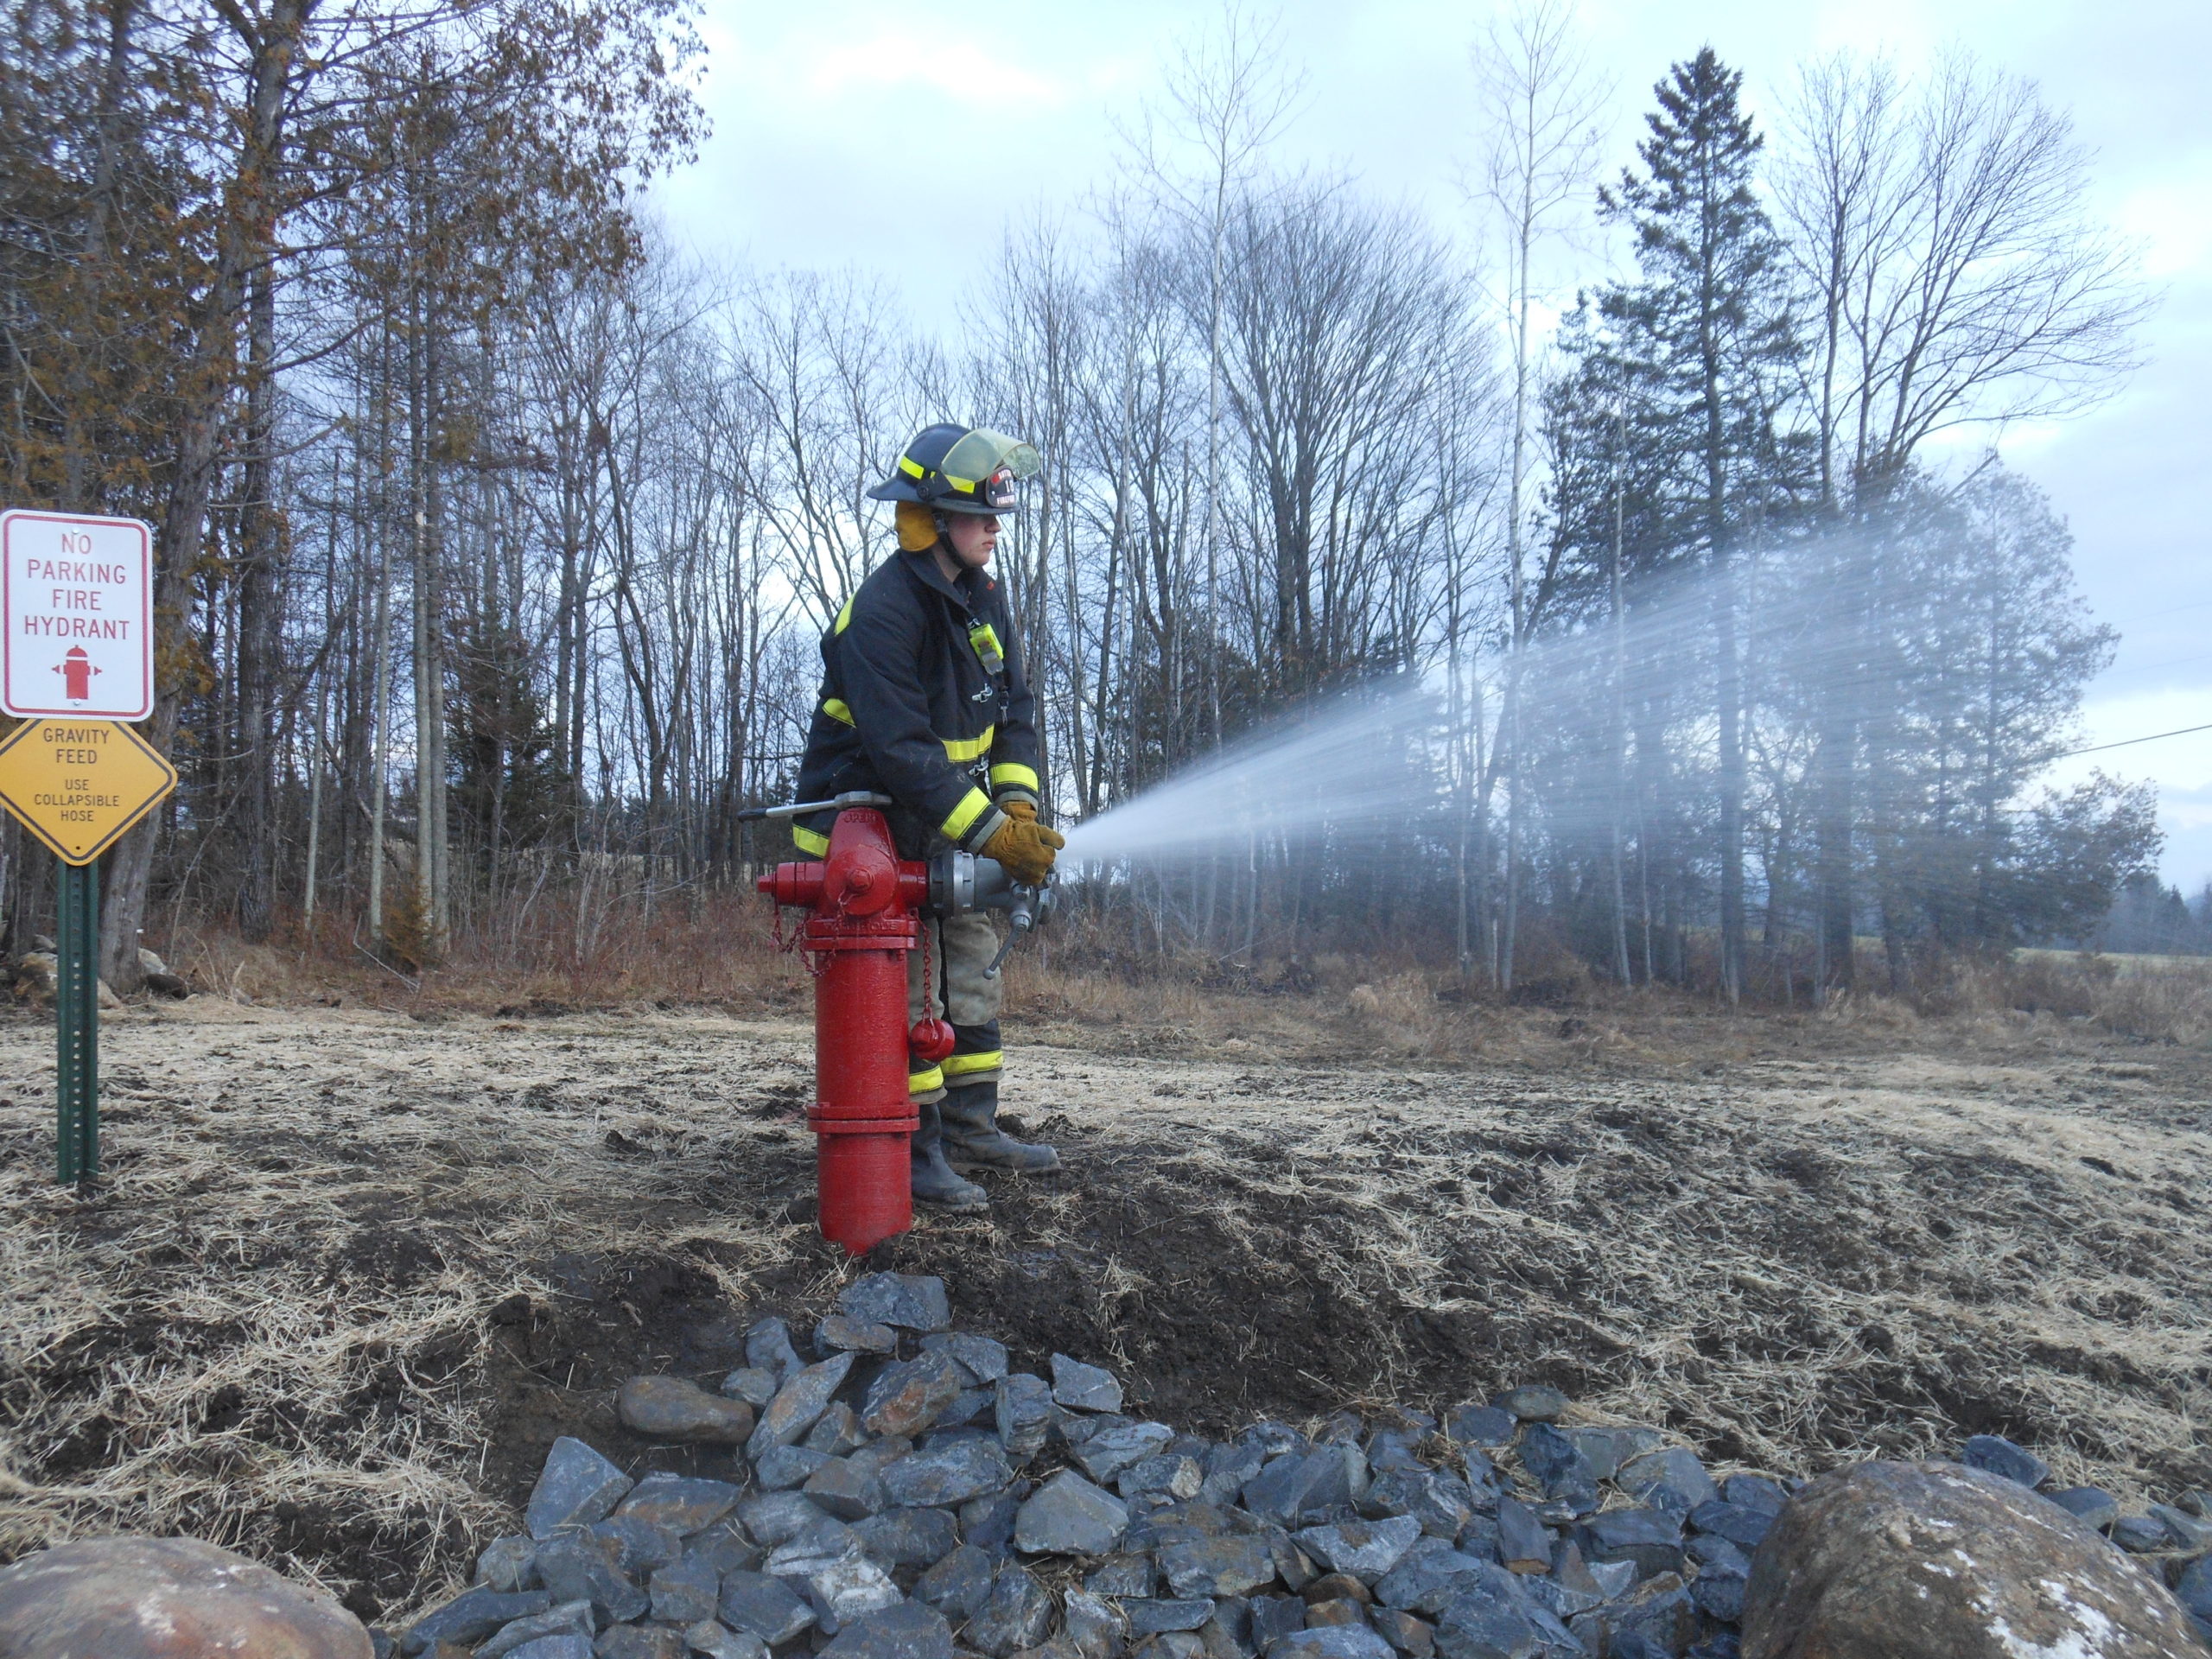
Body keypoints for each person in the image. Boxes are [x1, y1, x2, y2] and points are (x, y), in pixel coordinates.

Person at [790, 423, 1066, 1213]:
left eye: (994, 516)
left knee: (975, 966)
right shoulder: (882, 613)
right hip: (869, 827)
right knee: (903, 995)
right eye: (979, 515)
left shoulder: (982, 595)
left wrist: (1017, 807)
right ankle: (913, 1149)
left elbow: (1016, 710)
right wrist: (995, 836)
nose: (995, 528)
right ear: (932, 520)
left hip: (953, 815)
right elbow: (906, 752)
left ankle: (974, 1126)